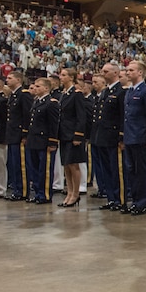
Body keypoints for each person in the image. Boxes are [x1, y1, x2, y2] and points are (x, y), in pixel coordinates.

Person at [91, 63, 125, 211]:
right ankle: (111, 198)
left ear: (115, 73)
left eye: (106, 71)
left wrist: (121, 136)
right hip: (102, 136)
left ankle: (120, 199)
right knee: (106, 170)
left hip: (113, 137)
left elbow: (122, 116)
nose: (103, 73)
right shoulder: (105, 92)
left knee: (116, 170)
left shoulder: (121, 92)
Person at [122, 60, 146, 216]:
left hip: (140, 135)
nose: (128, 73)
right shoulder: (129, 91)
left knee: (141, 171)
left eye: (131, 70)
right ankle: (135, 200)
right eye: (127, 70)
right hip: (129, 136)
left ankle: (143, 202)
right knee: (131, 170)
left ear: (140, 72)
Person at [25, 78, 60, 204]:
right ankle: (37, 193)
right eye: (35, 86)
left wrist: (52, 142)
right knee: (34, 169)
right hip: (33, 140)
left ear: (46, 88)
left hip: (44, 141)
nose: (35, 88)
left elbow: (54, 124)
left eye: (38, 86)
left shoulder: (51, 103)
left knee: (44, 170)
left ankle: (45, 194)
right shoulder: (36, 101)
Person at [56, 68, 87, 207]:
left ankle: (76, 193)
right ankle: (69, 192)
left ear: (71, 77)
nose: (60, 77)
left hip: (73, 134)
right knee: (66, 165)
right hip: (64, 133)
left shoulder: (76, 94)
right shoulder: (64, 94)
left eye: (64, 75)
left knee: (74, 164)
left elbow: (81, 116)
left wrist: (78, 135)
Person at [5, 71, 33, 201]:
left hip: (19, 134)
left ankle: (23, 191)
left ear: (18, 80)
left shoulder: (24, 94)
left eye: (10, 78)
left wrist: (25, 133)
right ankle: (16, 189)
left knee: (21, 165)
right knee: (14, 164)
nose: (7, 80)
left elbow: (27, 115)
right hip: (12, 134)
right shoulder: (13, 95)